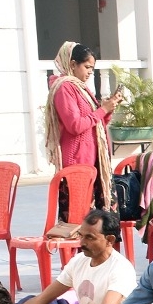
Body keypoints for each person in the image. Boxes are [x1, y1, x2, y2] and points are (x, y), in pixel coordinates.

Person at [11, 210, 138, 304]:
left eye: (90, 237)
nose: (82, 242)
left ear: (110, 240)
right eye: (81, 235)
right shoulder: (78, 262)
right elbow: (42, 299)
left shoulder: (121, 268)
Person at [44, 42, 119, 210]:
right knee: (80, 219)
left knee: (101, 221)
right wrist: (102, 110)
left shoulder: (80, 88)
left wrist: (106, 110)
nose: (90, 72)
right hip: (78, 160)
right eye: (87, 67)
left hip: (93, 160)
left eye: (92, 68)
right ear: (72, 64)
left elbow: (95, 123)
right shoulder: (64, 88)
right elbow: (75, 126)